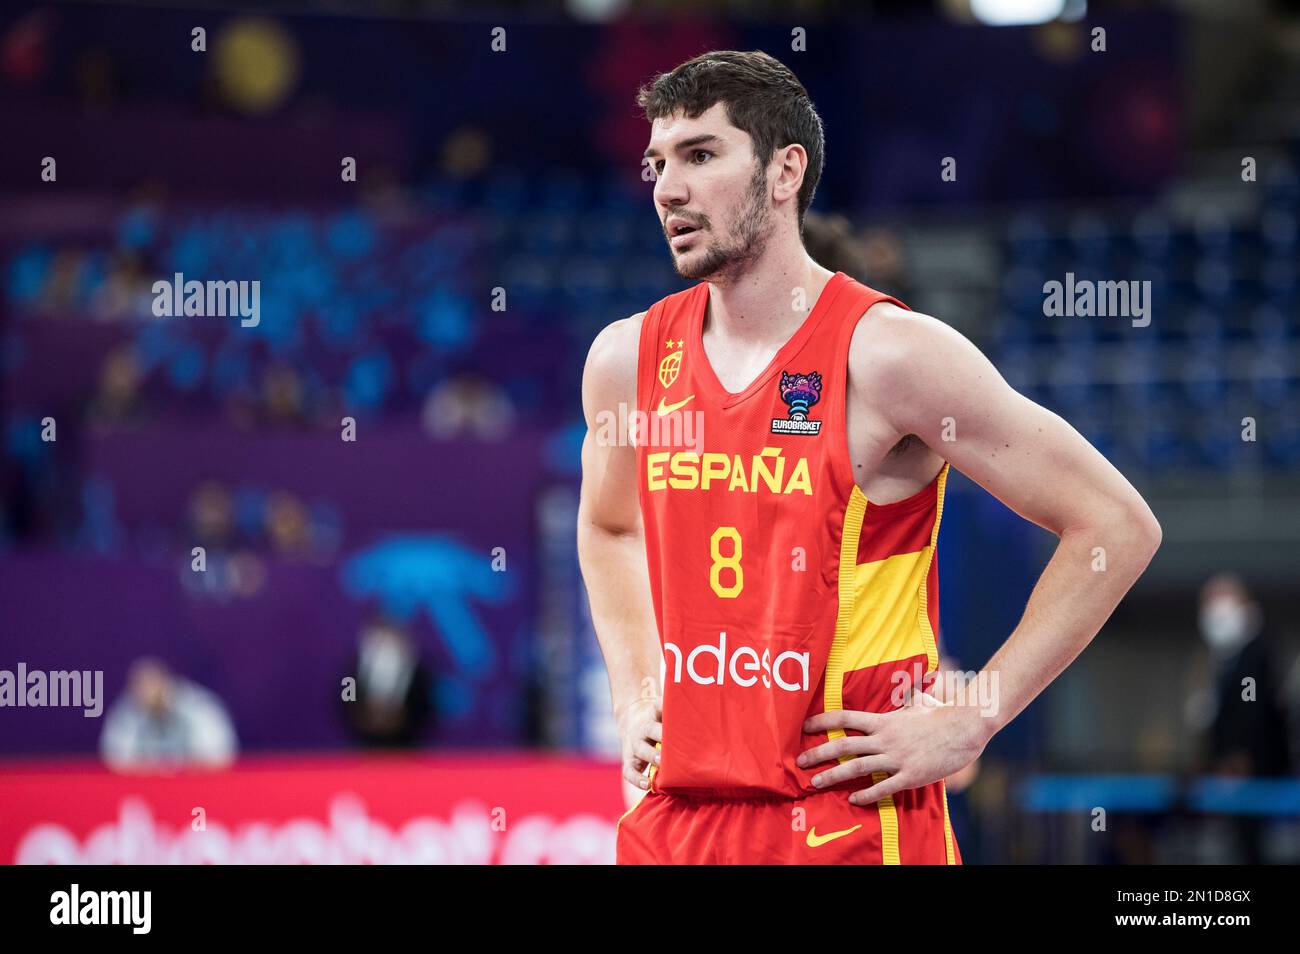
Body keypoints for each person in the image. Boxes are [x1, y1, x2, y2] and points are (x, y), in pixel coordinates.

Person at [577, 50, 1161, 864]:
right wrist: (637, 689)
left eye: (701, 155)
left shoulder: (889, 358)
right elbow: (609, 529)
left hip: (847, 823)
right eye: (656, 164)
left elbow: (1116, 525)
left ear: (786, 172)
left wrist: (976, 712)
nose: (667, 189)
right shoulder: (627, 362)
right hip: (679, 823)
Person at [99, 657, 238, 771]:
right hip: (145, 791)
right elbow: (115, 759)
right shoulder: (126, 714)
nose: (148, 693)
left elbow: (220, 754)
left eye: (153, 684)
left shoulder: (199, 707)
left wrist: (185, 769)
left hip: (194, 789)